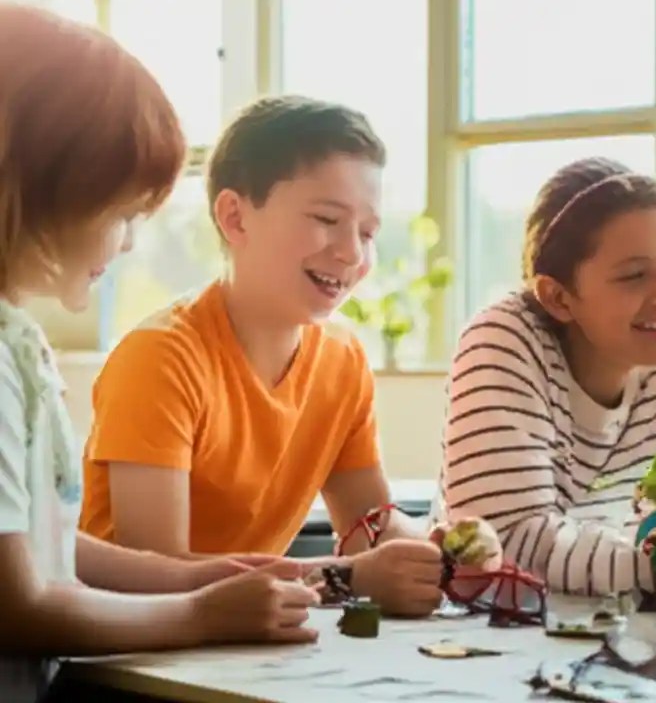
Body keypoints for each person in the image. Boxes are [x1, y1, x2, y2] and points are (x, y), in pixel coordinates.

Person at [0, 3, 319, 703]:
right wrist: (199, 615)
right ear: (38, 188)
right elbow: (16, 604)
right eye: (121, 215)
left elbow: (40, 547)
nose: (129, 245)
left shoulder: (18, 344)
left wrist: (199, 576)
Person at [77, 94, 496, 618]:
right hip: (132, 655)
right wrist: (344, 579)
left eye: (368, 232)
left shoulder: (342, 359)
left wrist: (437, 550)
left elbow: (370, 528)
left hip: (250, 643)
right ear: (235, 217)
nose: (351, 252)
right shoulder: (162, 357)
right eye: (326, 218)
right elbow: (157, 572)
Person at [438, 157, 656, 595]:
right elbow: (499, 553)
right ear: (558, 297)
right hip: (494, 638)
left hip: (620, 629)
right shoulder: (504, 341)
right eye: (634, 276)